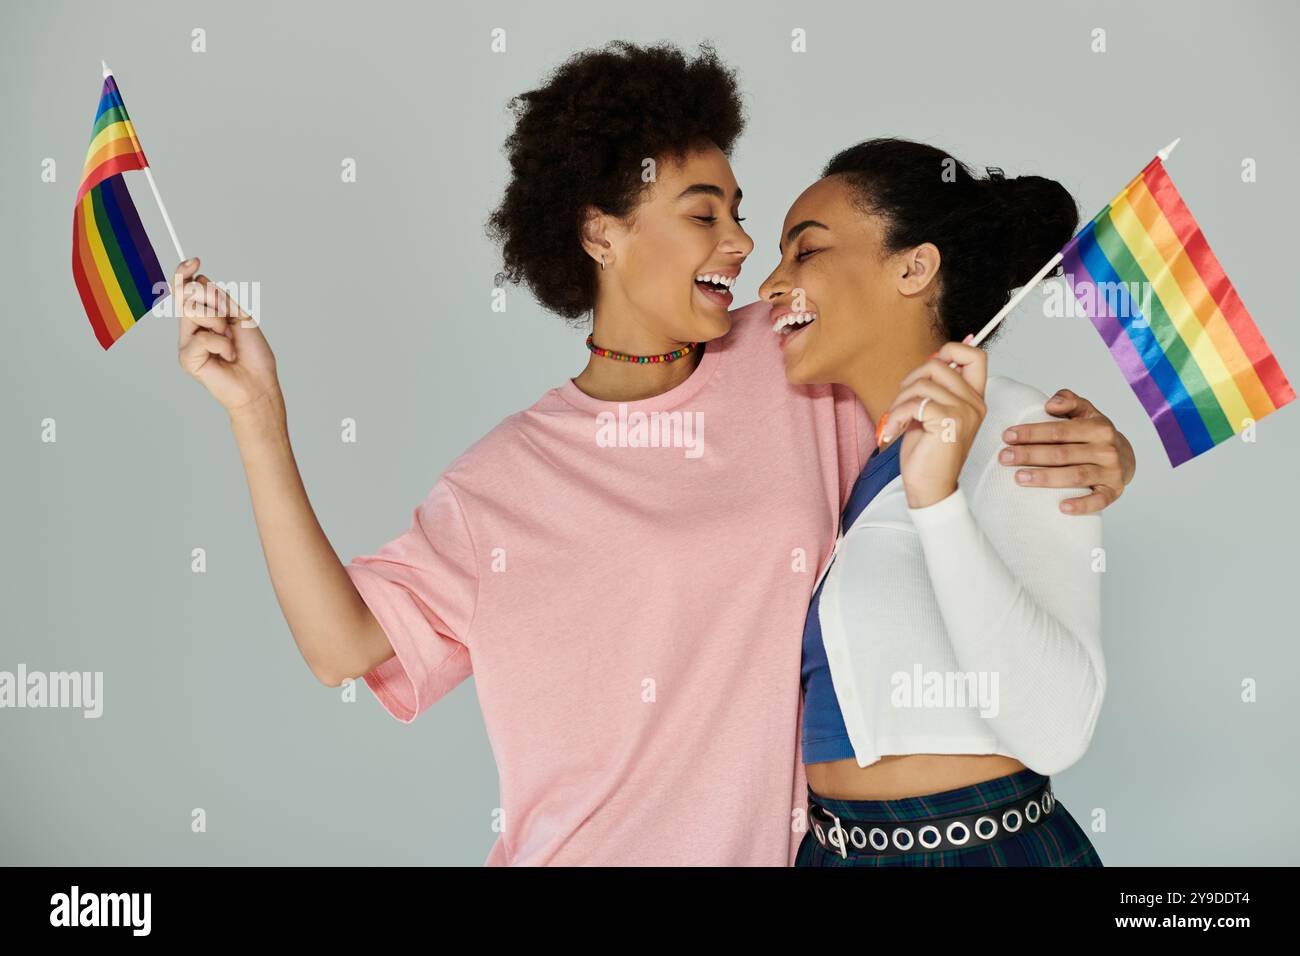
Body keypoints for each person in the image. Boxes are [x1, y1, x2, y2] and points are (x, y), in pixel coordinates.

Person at [171, 44, 1133, 865]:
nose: (744, 241)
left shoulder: (795, 366)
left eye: (742, 211)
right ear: (602, 232)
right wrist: (259, 420)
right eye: (703, 212)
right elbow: (343, 647)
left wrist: (1088, 444)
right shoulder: (505, 480)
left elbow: (927, 360)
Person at [759, 138, 1107, 865]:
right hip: (830, 851)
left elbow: (1057, 729)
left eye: (806, 253)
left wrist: (937, 500)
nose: (770, 284)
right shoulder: (847, 445)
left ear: (914, 267)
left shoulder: (1029, 433)